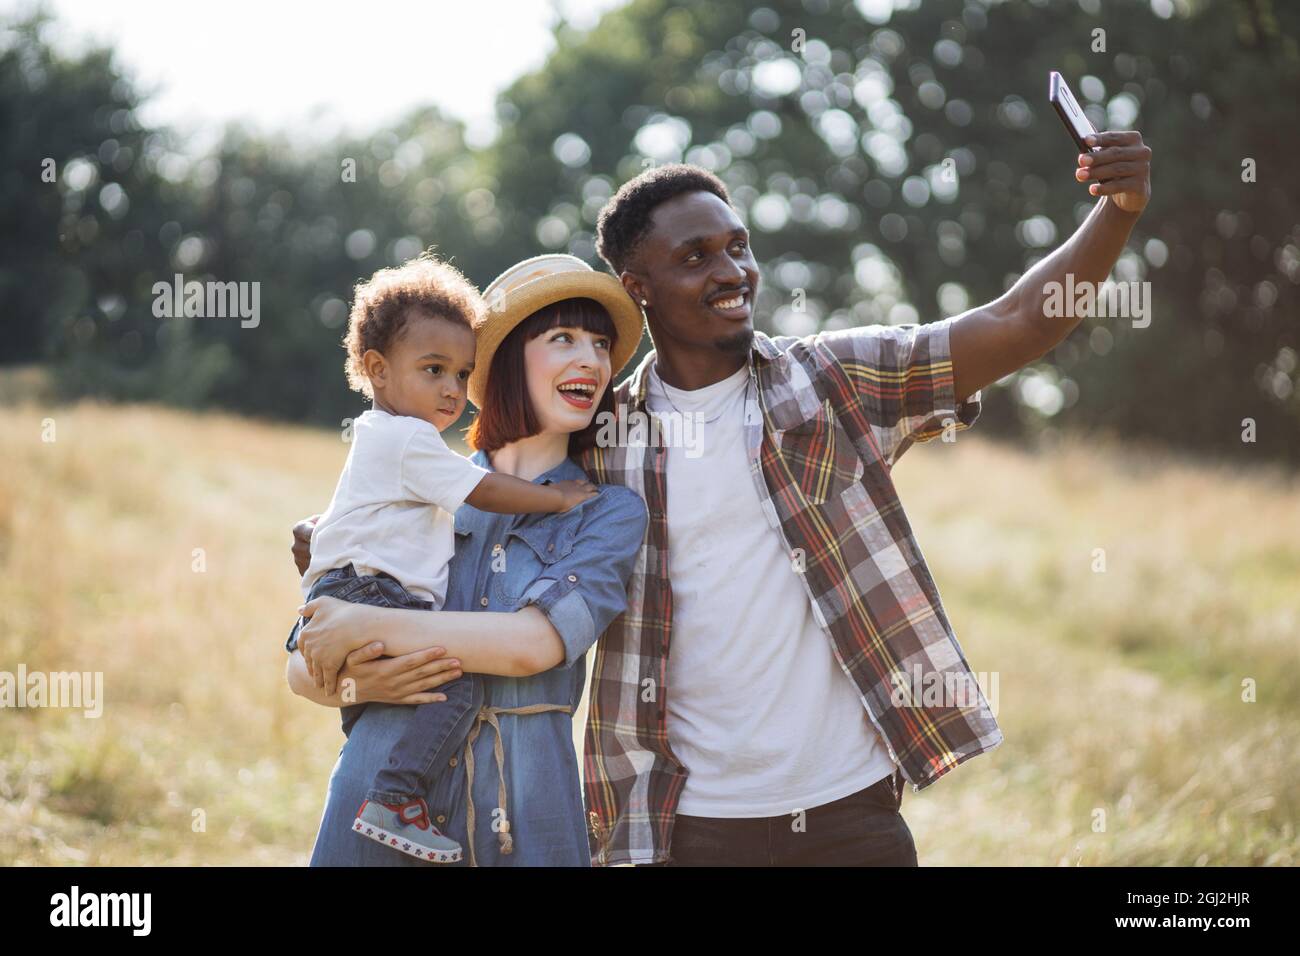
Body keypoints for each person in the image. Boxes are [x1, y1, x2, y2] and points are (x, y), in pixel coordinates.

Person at [579, 145, 1150, 866]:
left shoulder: (832, 379)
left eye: (738, 246)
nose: (732, 272)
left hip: (849, 811)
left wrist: (1116, 213)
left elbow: (1018, 324)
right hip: (686, 825)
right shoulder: (600, 439)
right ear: (639, 288)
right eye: (695, 258)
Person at [286, 254, 649, 866]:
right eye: (562, 337)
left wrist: (369, 626)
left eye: (601, 343)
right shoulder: (421, 487)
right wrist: (354, 680)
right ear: (505, 356)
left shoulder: (608, 512)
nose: (591, 358)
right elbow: (303, 662)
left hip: (526, 811)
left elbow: (532, 645)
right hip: (375, 797)